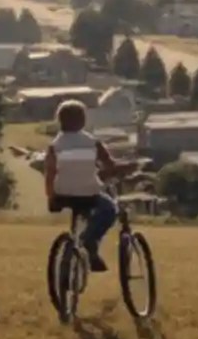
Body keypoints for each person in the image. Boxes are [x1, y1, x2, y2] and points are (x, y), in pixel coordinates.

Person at [43, 100, 139, 272]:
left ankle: (73, 248)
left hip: (62, 195)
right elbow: (110, 165)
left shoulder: (54, 146)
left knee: (78, 205)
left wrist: (51, 197)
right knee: (109, 209)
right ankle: (90, 239)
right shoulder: (92, 142)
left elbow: (50, 174)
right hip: (89, 194)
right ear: (83, 121)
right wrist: (130, 166)